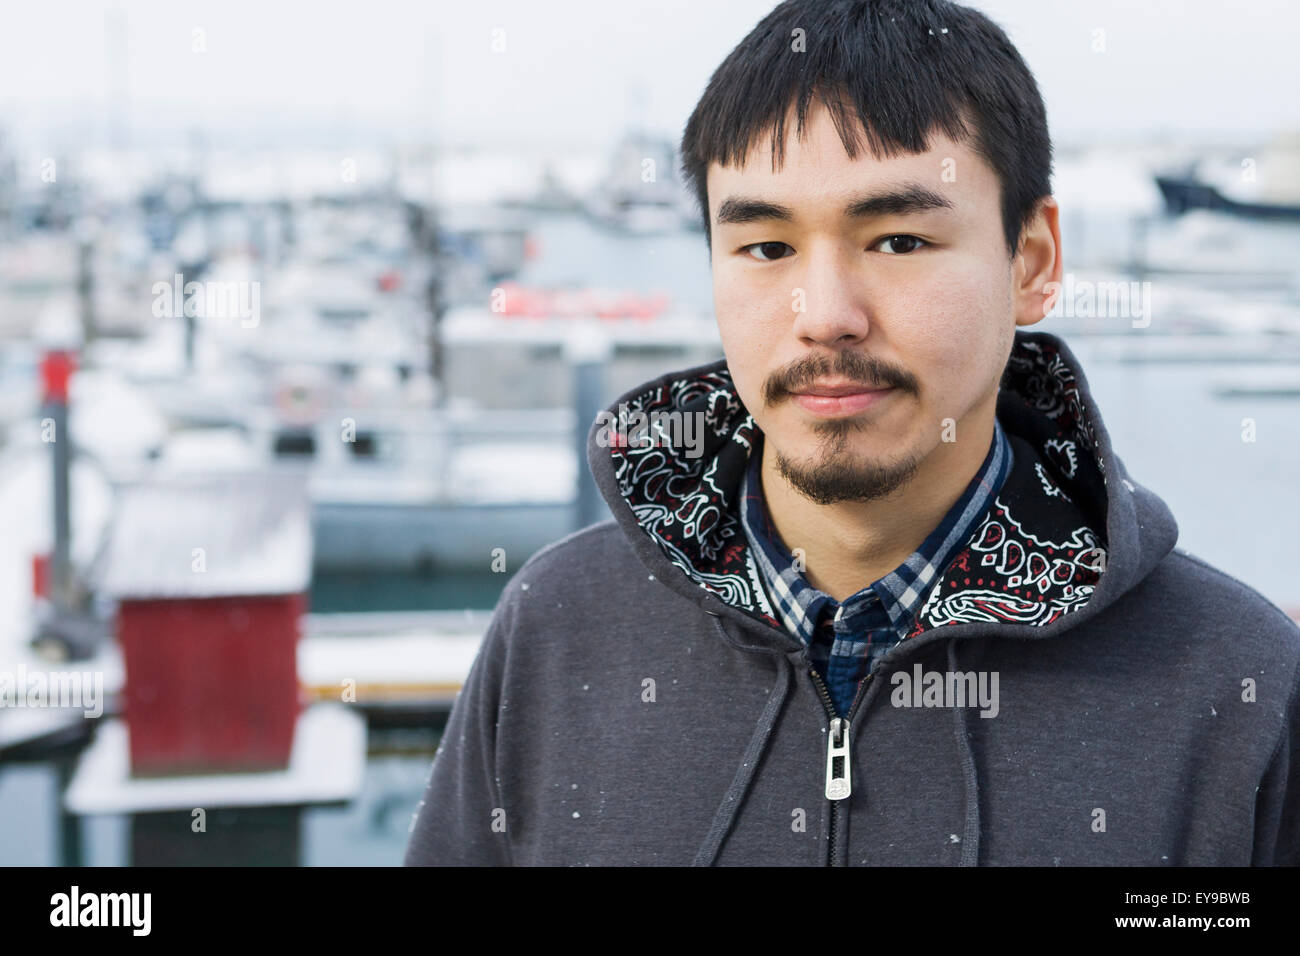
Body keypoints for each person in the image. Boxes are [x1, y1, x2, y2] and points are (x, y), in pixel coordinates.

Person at [404, 0, 1300, 866]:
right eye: (766, 249)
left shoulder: (1235, 683)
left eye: (900, 241)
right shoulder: (560, 631)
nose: (824, 316)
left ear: (1031, 262)